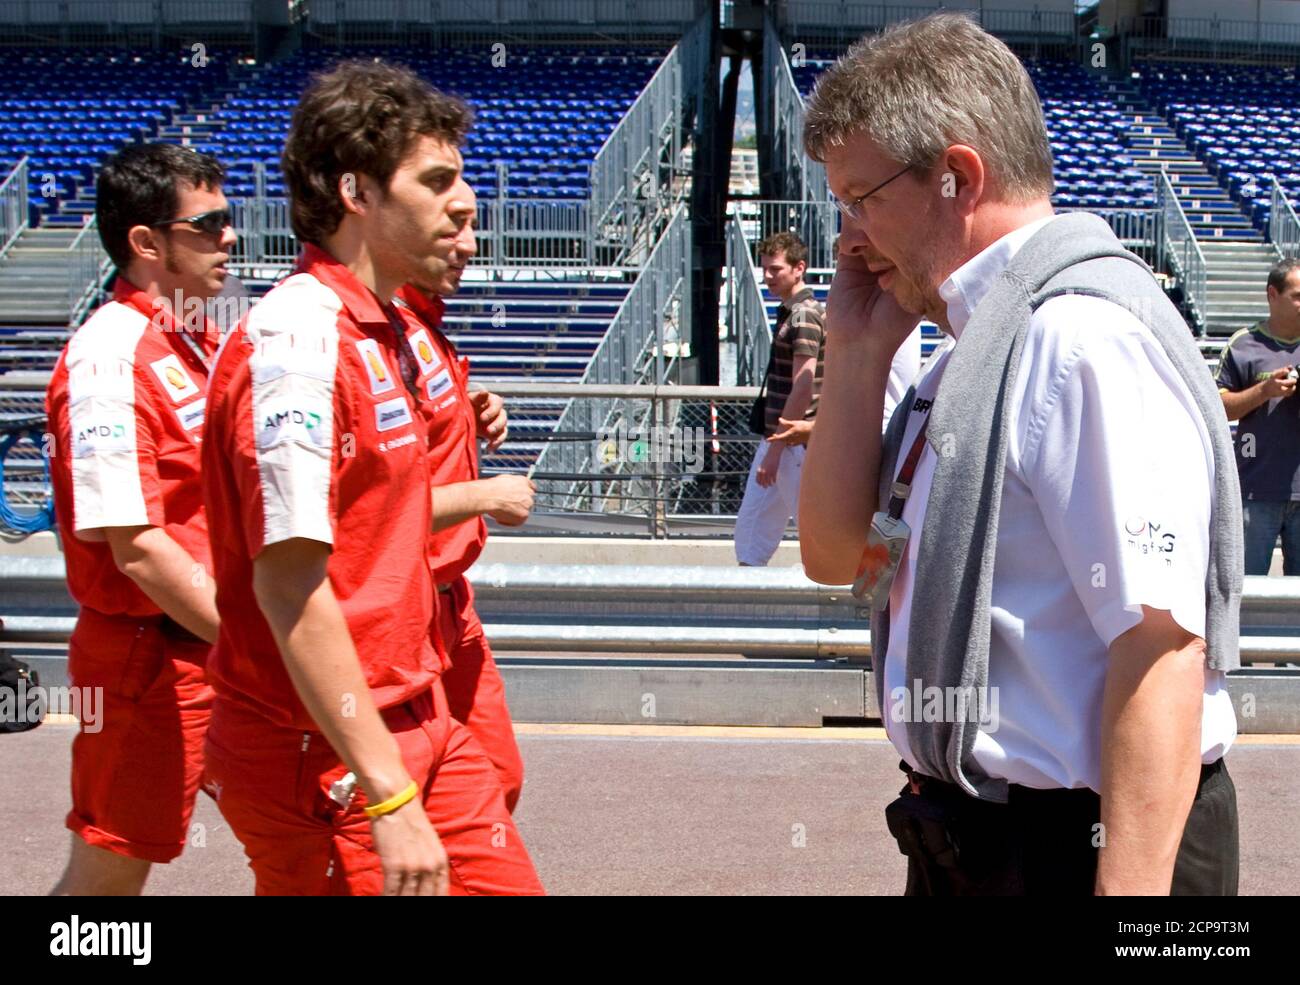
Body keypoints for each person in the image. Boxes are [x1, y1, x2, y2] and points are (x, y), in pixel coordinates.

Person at [799, 13, 1240, 895]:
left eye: (861, 198)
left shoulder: (1077, 339)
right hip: (978, 833)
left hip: (1083, 845)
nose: (847, 237)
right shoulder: (972, 353)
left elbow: (1160, 647)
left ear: (958, 176)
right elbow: (842, 556)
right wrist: (855, 353)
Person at [199, 60, 542, 895]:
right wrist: (388, 793)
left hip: (419, 706)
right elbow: (290, 589)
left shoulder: (381, 324)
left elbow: (378, 509)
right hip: (328, 742)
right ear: (356, 191)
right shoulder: (296, 344)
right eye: (436, 180)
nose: (465, 204)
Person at [45, 143, 233, 894]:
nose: (231, 238)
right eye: (210, 223)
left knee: (320, 838)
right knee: (106, 882)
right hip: (150, 660)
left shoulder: (197, 336)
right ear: (147, 243)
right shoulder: (107, 358)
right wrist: (261, 641)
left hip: (218, 647)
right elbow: (141, 550)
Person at [393, 182, 533, 812]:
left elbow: (411, 447)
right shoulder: (370, 328)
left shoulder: (421, 323)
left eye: (472, 226)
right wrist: (486, 494)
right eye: (452, 226)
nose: (468, 246)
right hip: (403, 608)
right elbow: (363, 501)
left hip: (451, 602)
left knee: (494, 781)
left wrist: (470, 418)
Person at [734, 232, 825, 566]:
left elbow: (803, 385)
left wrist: (774, 449)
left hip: (792, 442)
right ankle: (749, 596)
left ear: (799, 268)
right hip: (783, 440)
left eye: (775, 269)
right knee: (753, 528)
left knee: (812, 529)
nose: (768, 277)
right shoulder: (792, 312)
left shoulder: (803, 315)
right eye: (766, 270)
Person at [1217, 257, 1300, 575]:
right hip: (1256, 490)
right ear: (1272, 294)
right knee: (1244, 589)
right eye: (1297, 296)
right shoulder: (1243, 345)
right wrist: (1264, 392)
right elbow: (1218, 407)